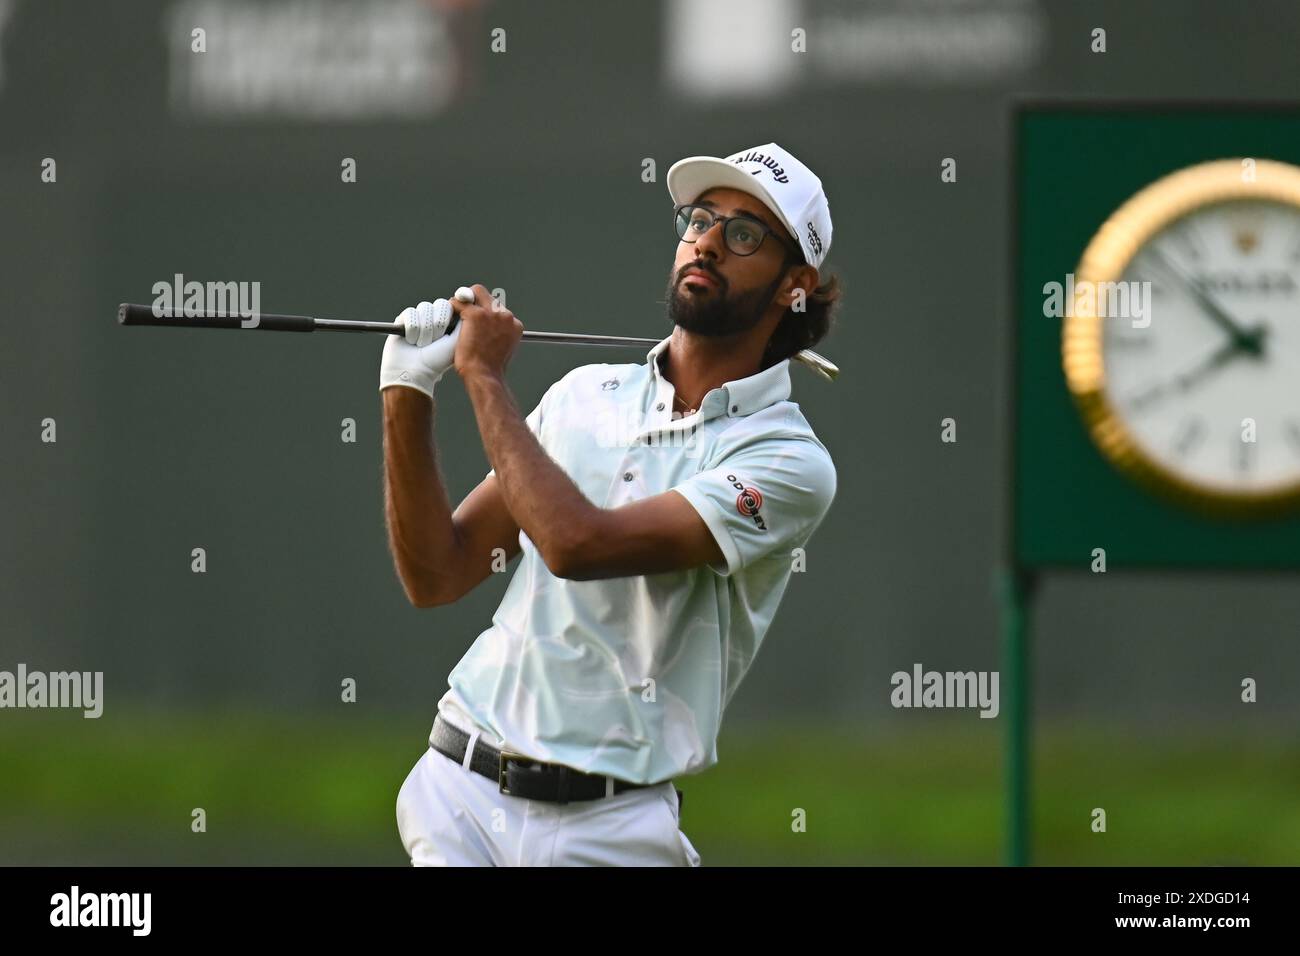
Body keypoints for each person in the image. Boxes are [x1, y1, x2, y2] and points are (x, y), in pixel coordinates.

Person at [379, 142, 841, 866]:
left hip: (613, 831)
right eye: (700, 220)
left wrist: (485, 381)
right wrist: (406, 393)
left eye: (744, 234)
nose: (709, 243)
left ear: (796, 285)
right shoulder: (583, 396)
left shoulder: (787, 462)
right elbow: (439, 573)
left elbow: (577, 546)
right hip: (459, 795)